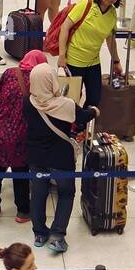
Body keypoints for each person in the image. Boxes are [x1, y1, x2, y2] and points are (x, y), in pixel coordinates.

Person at [25, 63, 99, 253]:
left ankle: (39, 233)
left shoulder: (27, 102)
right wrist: (94, 110)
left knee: (38, 194)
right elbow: (82, 117)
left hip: (36, 157)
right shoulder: (66, 105)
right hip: (61, 158)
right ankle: (57, 236)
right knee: (66, 193)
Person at [0, 50, 45, 224]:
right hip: (19, 133)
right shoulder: (38, 80)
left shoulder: (9, 72)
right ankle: (23, 212)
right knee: (20, 175)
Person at [57, 0, 124, 108]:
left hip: (93, 62)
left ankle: (82, 126)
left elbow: (110, 40)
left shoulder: (112, 13)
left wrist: (116, 61)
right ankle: (71, 127)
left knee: (94, 99)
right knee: (71, 100)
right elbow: (65, 27)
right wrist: (62, 55)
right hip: (73, 61)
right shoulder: (86, 4)